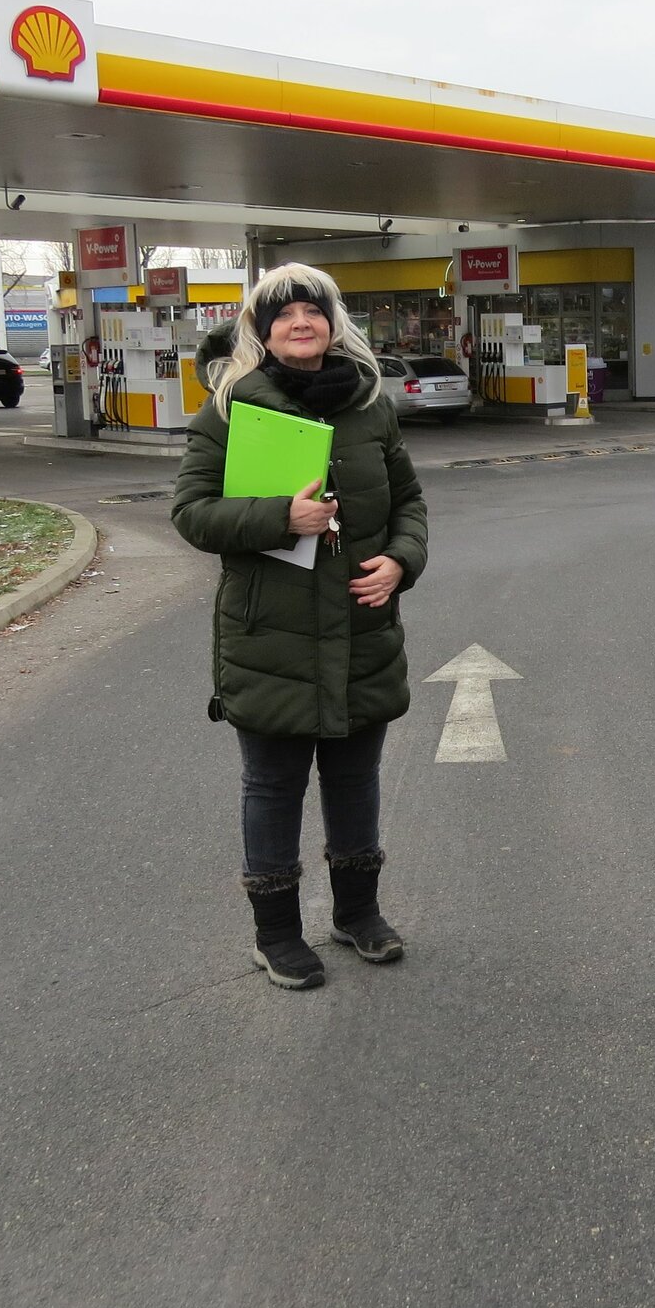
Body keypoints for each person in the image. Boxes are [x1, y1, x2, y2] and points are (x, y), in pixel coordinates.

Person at [170, 265, 429, 991]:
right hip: (269, 637)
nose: (300, 322)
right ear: (261, 329)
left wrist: (401, 561)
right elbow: (192, 514)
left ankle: (358, 914)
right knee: (273, 788)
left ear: (333, 322)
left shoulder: (371, 406)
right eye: (283, 314)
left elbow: (409, 501)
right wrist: (281, 517)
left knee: (355, 780)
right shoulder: (230, 409)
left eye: (313, 310)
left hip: (362, 626)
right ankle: (277, 934)